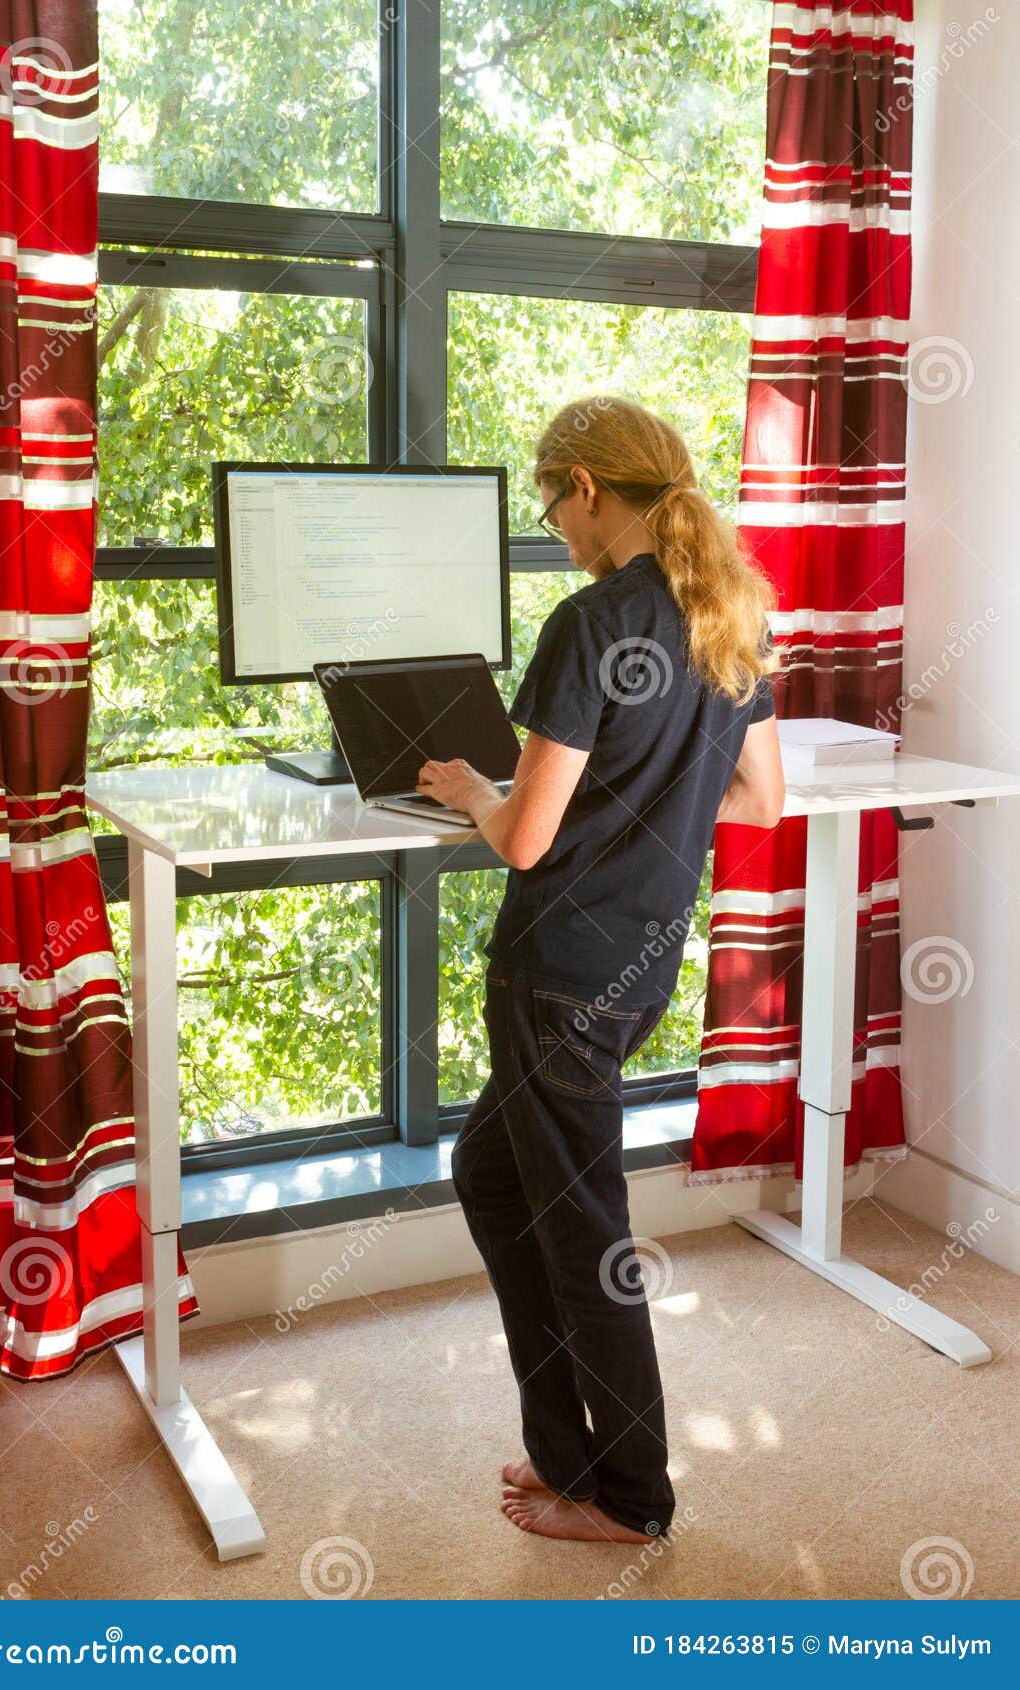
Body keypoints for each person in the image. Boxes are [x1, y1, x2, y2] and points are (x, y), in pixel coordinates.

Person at [416, 394, 785, 1544]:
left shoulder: (588, 623)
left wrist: (477, 790)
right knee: (488, 1172)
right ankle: (563, 1453)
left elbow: (523, 837)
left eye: (548, 502)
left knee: (582, 1231)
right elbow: (758, 798)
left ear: (584, 487)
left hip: (554, 974)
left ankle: (630, 1497)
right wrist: (641, 808)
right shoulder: (721, 612)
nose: (552, 525)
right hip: (634, 970)